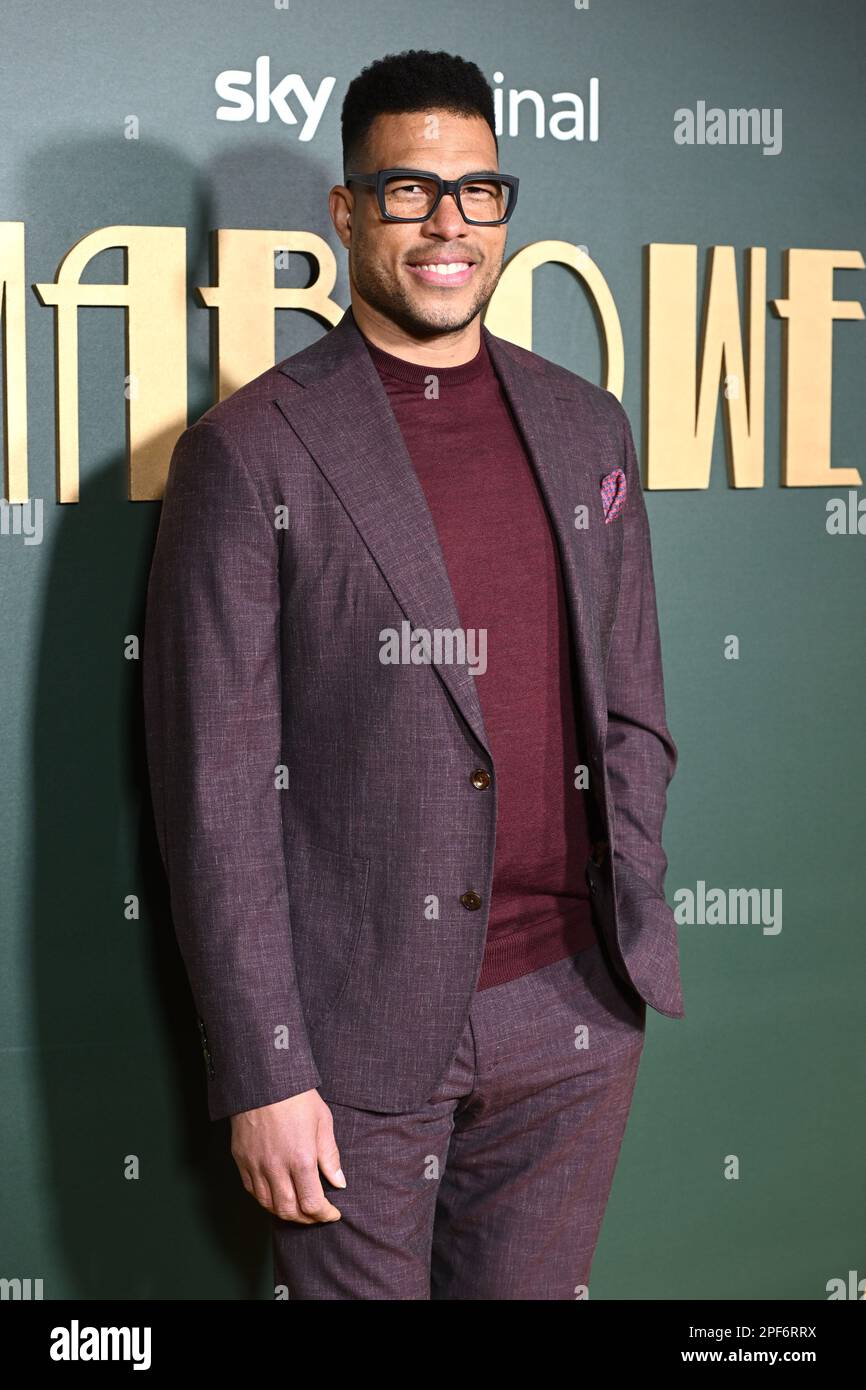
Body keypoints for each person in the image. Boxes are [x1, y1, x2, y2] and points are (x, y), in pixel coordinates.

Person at [142, 47, 684, 1301]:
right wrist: (267, 1066)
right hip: (353, 1038)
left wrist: (629, 912)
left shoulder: (584, 422)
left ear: (502, 208)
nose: (447, 226)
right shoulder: (250, 452)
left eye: (476, 191)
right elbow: (214, 795)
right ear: (346, 211)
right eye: (406, 193)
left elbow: (633, 706)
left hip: (574, 1011)